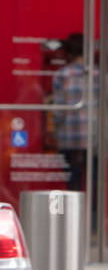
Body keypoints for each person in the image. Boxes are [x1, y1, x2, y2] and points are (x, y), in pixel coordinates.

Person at [51, 33, 88, 192]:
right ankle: (91, 215)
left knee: (72, 180)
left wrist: (53, 130)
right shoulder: (98, 75)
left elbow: (59, 110)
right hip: (92, 139)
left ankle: (74, 214)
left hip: (68, 137)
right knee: (91, 180)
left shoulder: (61, 75)